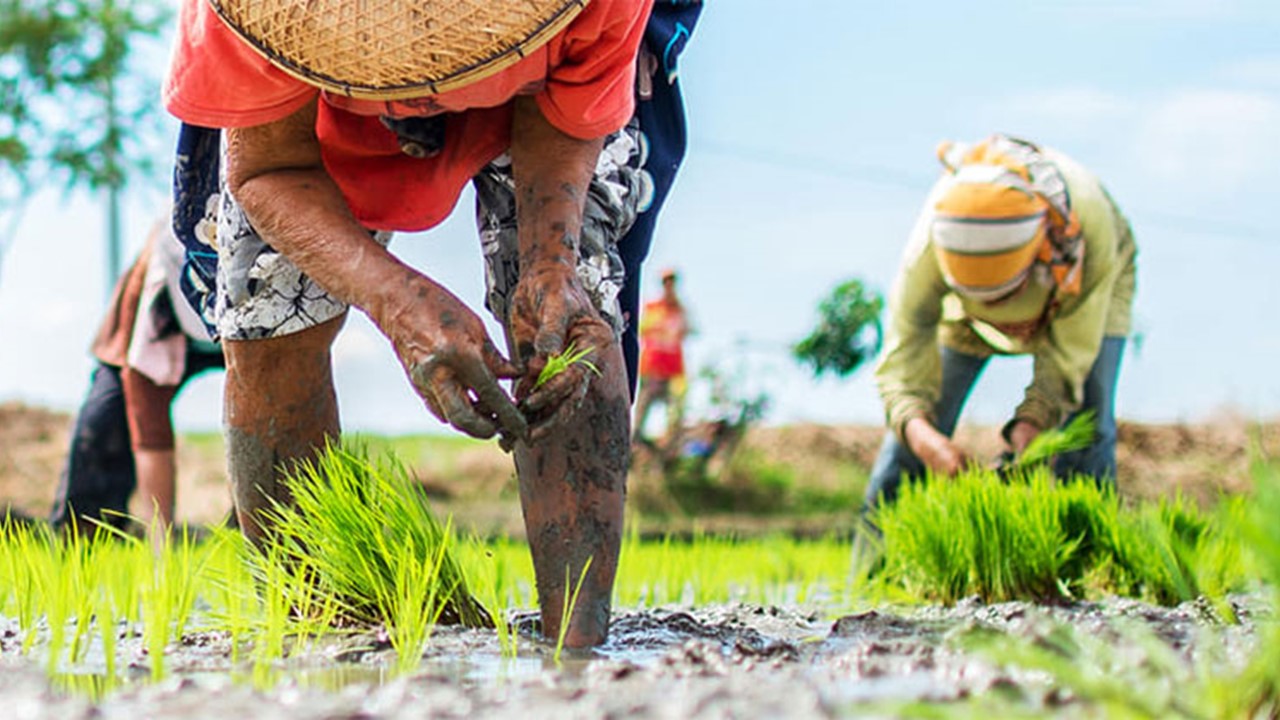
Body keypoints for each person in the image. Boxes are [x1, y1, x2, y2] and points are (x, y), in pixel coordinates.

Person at [163, 0, 655, 647]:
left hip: (537, 96)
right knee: (266, 319)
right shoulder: (251, 15)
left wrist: (549, 265)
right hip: (311, 122)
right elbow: (268, 168)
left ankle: (581, 647)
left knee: (574, 315)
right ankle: (313, 640)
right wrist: (396, 302)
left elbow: (572, 115)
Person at [865, 134, 1137, 510]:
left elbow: (1069, 358)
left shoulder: (1087, 228)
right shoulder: (930, 247)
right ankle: (875, 565)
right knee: (912, 440)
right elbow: (903, 357)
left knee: (1085, 423)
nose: (1007, 322)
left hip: (1082, 290)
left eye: (1005, 299)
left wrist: (1032, 423)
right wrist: (924, 437)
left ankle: (1092, 557)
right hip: (963, 319)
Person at [49, 216, 225, 539]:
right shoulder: (153, 299)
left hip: (251, 307)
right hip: (164, 319)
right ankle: (85, 541)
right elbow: (151, 438)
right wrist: (162, 551)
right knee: (103, 431)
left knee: (275, 432)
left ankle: (270, 541)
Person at [633, 268, 692, 444]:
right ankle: (635, 448)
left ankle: (669, 451)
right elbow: (642, 330)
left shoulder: (681, 310)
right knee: (641, 415)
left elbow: (689, 331)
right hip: (651, 368)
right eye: (666, 282)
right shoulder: (653, 307)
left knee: (675, 416)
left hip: (673, 370)